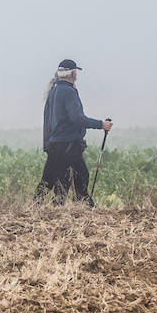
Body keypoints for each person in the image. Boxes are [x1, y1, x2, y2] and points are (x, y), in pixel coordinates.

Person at [37, 59, 113, 205]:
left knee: (52, 179)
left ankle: (37, 206)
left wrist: (47, 143)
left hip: (55, 143)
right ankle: (80, 205)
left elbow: (47, 120)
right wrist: (101, 124)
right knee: (78, 176)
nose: (76, 75)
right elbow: (77, 118)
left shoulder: (54, 90)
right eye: (75, 72)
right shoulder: (68, 92)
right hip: (69, 144)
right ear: (72, 73)